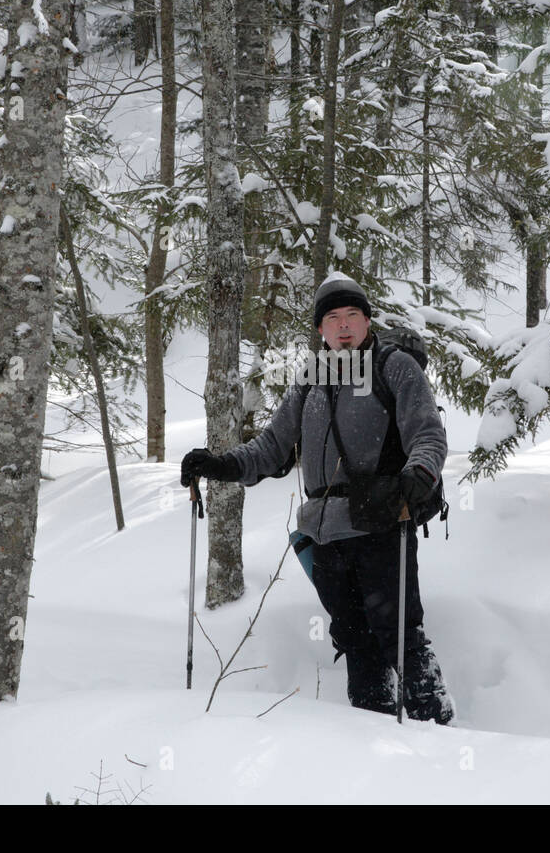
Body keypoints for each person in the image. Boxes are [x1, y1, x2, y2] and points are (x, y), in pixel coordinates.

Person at [180, 275, 455, 725]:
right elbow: (270, 450)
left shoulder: (395, 366)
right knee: (353, 639)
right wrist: (220, 465)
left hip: (383, 521)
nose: (344, 326)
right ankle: (373, 732)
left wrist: (418, 476)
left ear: (367, 322)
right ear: (321, 330)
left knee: (399, 635)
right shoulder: (308, 382)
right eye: (333, 318)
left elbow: (427, 434)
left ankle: (438, 729)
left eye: (352, 316)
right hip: (324, 535)